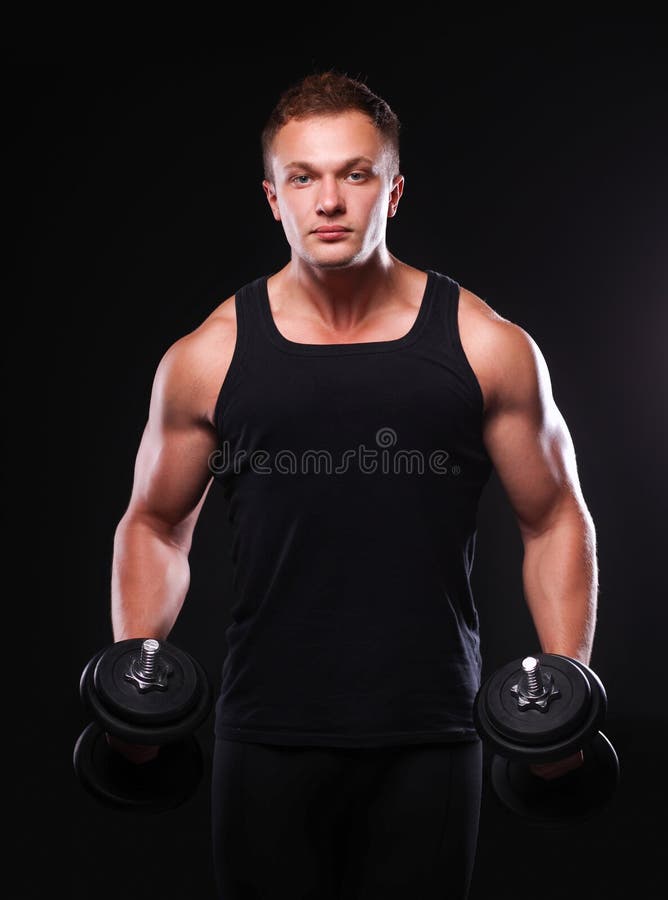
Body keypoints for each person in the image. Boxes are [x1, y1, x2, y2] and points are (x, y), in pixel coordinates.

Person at [109, 70, 598, 899]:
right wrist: (136, 681)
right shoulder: (208, 355)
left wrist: (561, 690)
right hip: (263, 730)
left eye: (354, 173)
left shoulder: (485, 345)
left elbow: (555, 518)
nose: (328, 200)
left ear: (394, 189)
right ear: (273, 196)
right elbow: (154, 523)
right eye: (304, 177)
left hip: (432, 734)